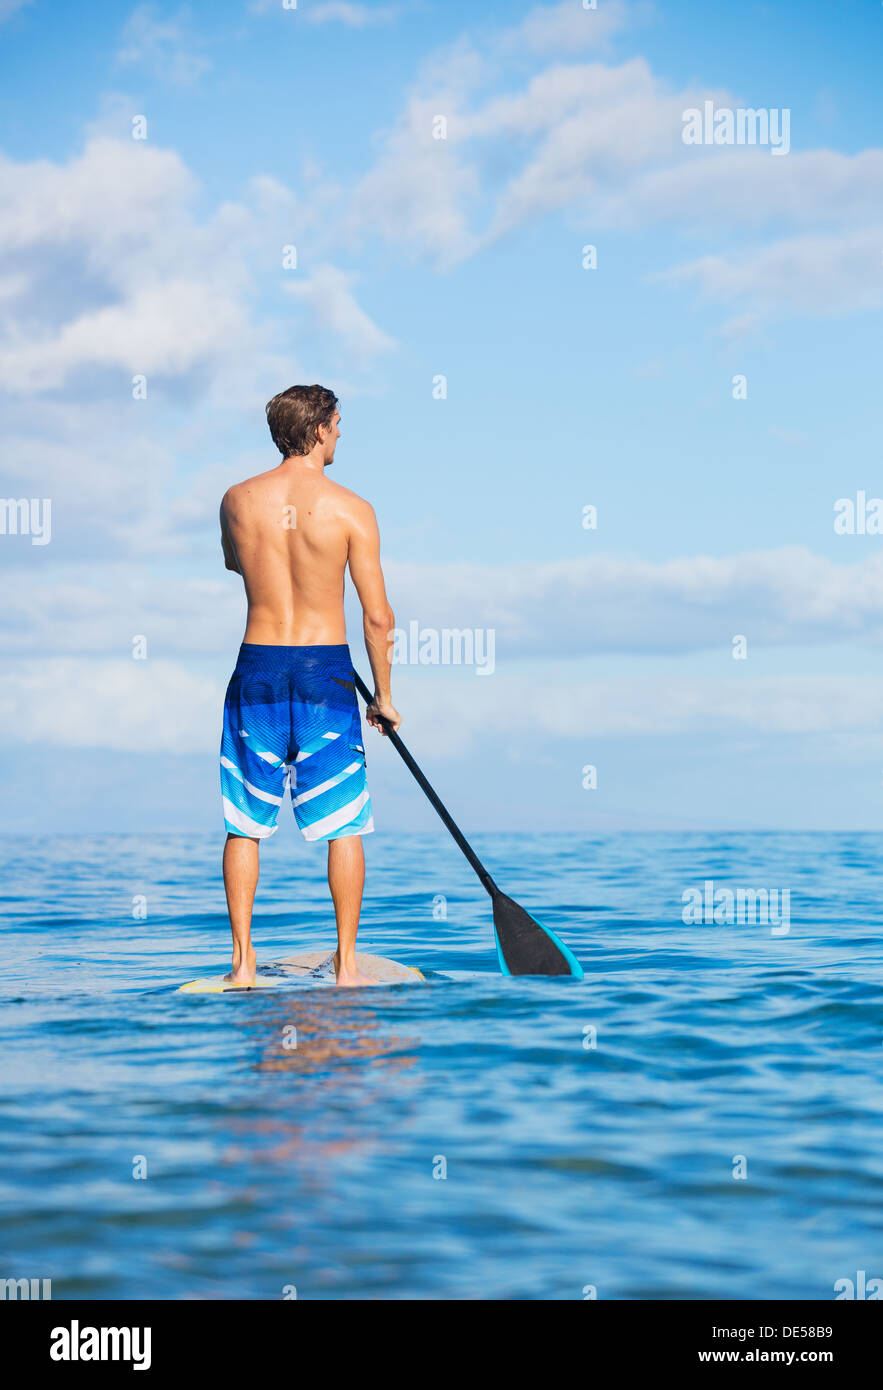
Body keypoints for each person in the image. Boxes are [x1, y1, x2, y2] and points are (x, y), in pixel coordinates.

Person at [218, 385, 401, 987]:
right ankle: (347, 966)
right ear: (319, 429)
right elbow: (378, 618)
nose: (342, 434)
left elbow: (235, 563)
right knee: (344, 824)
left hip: (259, 665)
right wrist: (384, 696)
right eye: (338, 424)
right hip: (326, 671)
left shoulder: (237, 500)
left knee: (244, 822)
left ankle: (243, 965)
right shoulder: (352, 508)